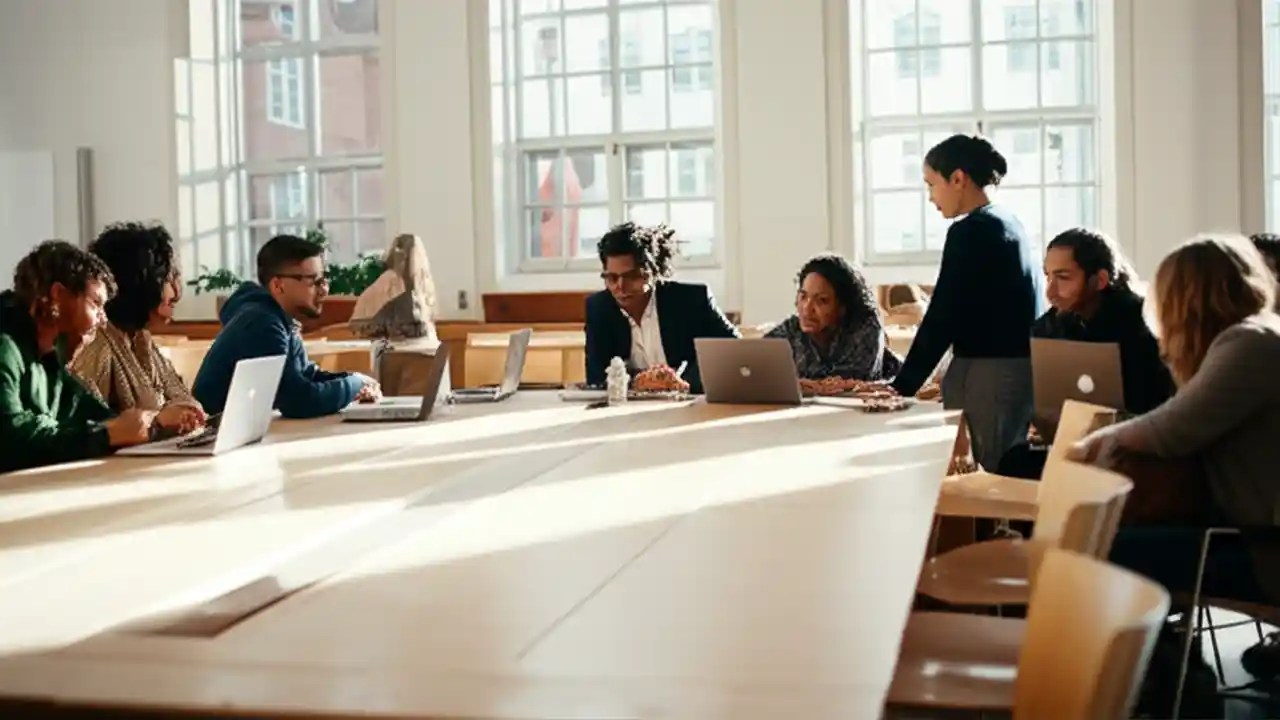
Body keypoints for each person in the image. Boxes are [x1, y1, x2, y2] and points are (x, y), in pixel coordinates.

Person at [1070, 234, 1280, 606]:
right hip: (1248, 534)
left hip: (1262, 550)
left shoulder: (1249, 343)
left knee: (1096, 548)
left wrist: (1083, 446)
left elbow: (1168, 431)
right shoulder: (1258, 335)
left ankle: (1152, 660)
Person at [888, 134, 1044, 471]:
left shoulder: (971, 231)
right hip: (1015, 369)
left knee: (991, 470)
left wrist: (903, 385)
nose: (930, 198)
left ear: (958, 179)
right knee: (999, 463)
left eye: (931, 185)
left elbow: (945, 313)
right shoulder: (1010, 222)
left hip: (991, 372)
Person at [995, 228, 1173, 479]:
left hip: (1133, 445)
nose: (1050, 292)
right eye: (1048, 277)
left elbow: (1157, 406)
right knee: (1015, 460)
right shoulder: (1049, 327)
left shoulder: (1144, 325)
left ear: (1099, 280)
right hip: (1076, 439)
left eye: (1063, 278)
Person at [0, 241, 176, 472]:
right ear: (58, 295)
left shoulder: (52, 357)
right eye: (96, 304)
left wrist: (156, 423)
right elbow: (10, 439)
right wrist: (107, 435)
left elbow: (99, 416)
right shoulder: (6, 345)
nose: (103, 320)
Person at [192, 234, 381, 418]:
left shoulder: (280, 319)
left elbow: (305, 376)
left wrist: (357, 380)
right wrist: (352, 385)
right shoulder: (261, 322)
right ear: (278, 286)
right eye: (313, 281)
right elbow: (298, 401)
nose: (324, 289)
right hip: (212, 438)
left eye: (324, 280)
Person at [69, 222, 205, 434]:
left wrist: (185, 414)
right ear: (138, 283)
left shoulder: (141, 338)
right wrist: (158, 421)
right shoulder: (96, 346)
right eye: (168, 279)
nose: (177, 292)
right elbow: (87, 429)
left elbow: (184, 398)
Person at [584, 222, 739, 394]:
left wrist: (682, 382)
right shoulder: (599, 308)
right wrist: (637, 382)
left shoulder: (692, 300)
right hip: (630, 410)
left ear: (653, 272)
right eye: (612, 278)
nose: (621, 286)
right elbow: (596, 377)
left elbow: (735, 350)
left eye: (632, 277)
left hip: (689, 405)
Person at [765, 253, 901, 389]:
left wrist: (801, 384)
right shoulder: (792, 328)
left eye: (822, 300)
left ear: (843, 307)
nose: (807, 309)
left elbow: (845, 384)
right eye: (803, 297)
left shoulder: (865, 327)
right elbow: (754, 362)